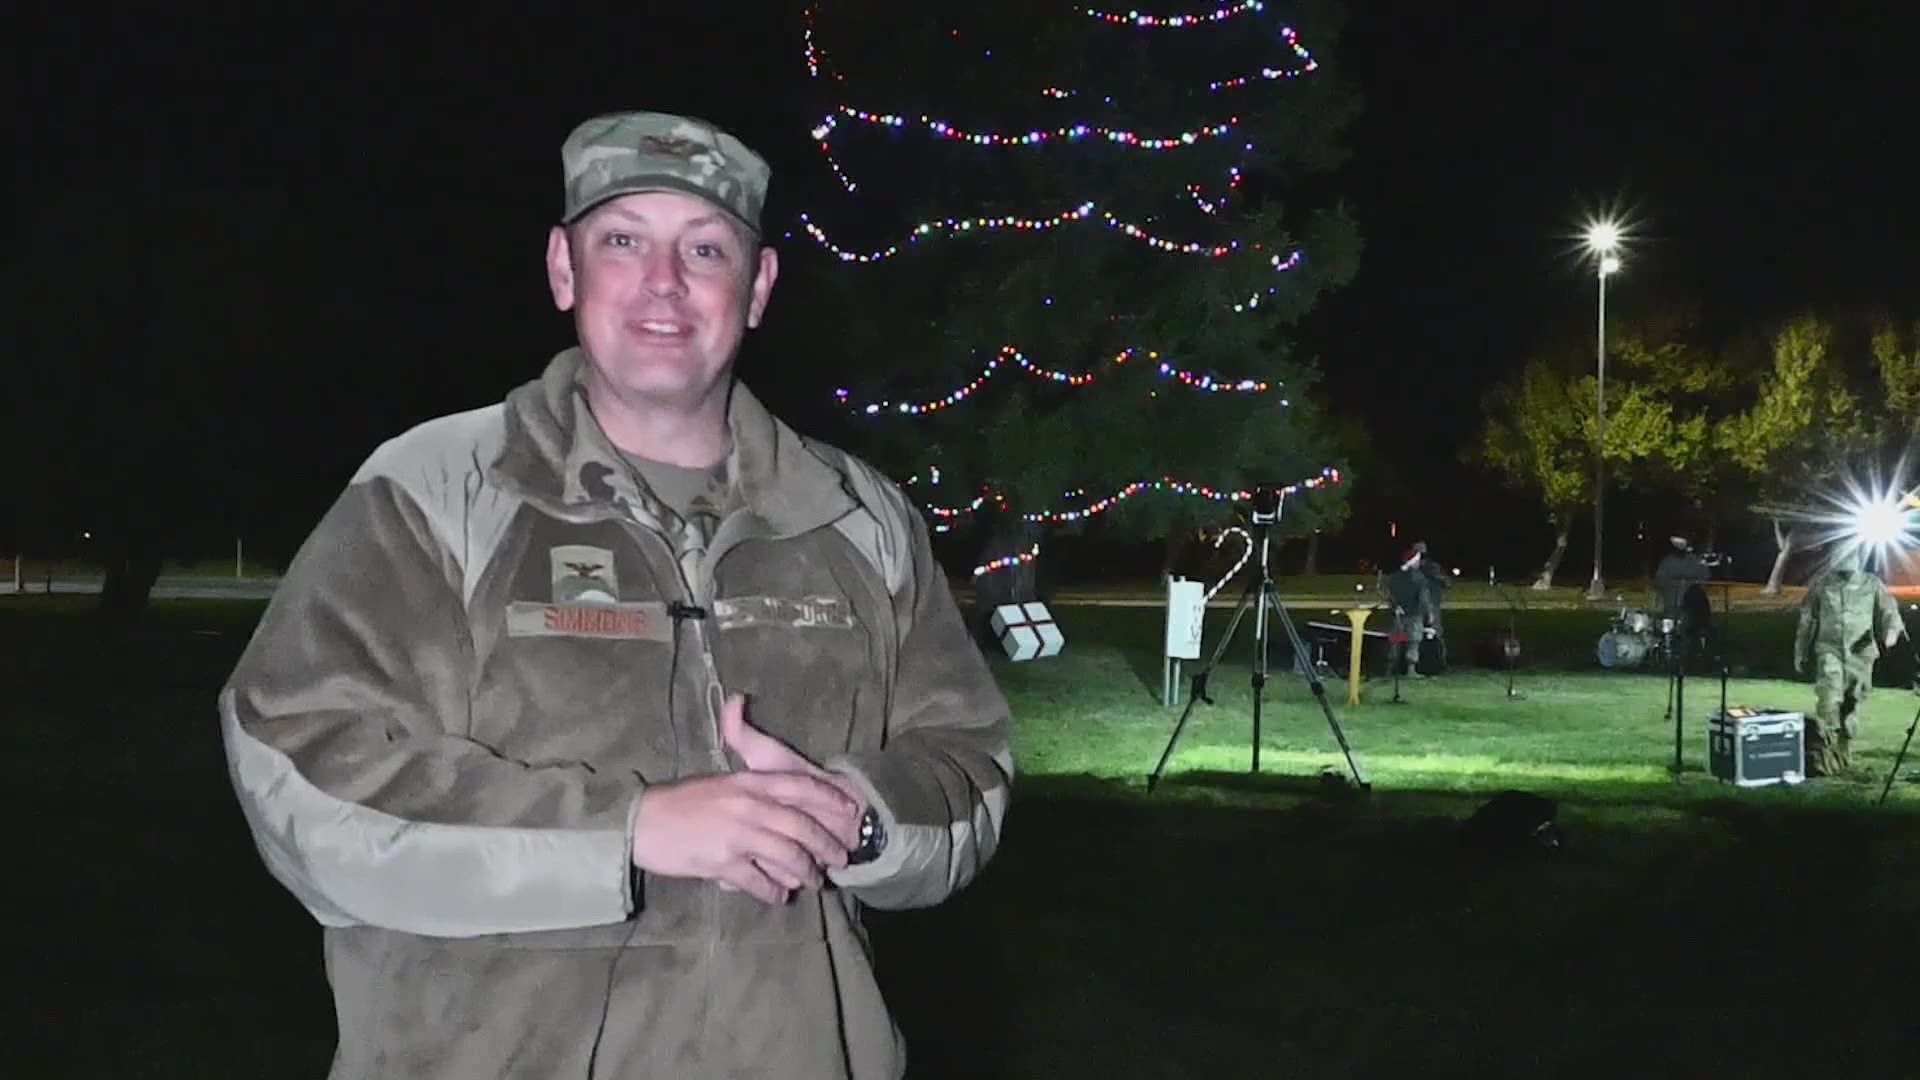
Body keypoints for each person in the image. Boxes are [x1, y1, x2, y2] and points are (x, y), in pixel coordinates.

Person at [217, 111, 1015, 1079]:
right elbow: (298, 775)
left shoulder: (858, 519)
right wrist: (633, 830)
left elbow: (968, 762)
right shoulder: (434, 492)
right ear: (564, 269)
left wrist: (860, 816)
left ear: (758, 288)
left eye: (707, 248)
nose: (664, 285)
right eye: (624, 240)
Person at [1793, 545, 1905, 777]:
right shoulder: (1822, 584)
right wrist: (1800, 651)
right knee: (1829, 700)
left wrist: (1891, 634)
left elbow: (1889, 611)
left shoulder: (1871, 584)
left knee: (1851, 705)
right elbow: (1807, 619)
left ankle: (1842, 755)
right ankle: (1823, 759)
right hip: (1829, 650)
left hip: (1861, 654)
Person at [1654, 535, 1712, 652]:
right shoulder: (1667, 562)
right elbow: (1660, 580)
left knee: (1689, 628)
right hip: (1671, 604)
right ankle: (1668, 650)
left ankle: (1694, 649)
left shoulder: (1695, 561)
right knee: (1668, 628)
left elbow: (1705, 577)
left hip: (1691, 606)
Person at [1386, 547, 1432, 678]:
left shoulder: (1394, 577)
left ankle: (1390, 669)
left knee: (1395, 642)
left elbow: (1390, 596)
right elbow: (1424, 599)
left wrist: (1395, 607)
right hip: (1414, 614)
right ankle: (1411, 670)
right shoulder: (1419, 578)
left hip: (1398, 614)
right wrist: (1429, 614)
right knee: (1413, 642)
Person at [1415, 542, 1451, 672]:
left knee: (1436, 633)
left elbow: (1447, 583)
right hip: (1417, 606)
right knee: (1416, 634)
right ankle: (1416, 664)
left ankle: (1440, 662)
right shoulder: (1412, 567)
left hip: (1433, 604)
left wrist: (1437, 576)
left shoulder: (1434, 567)